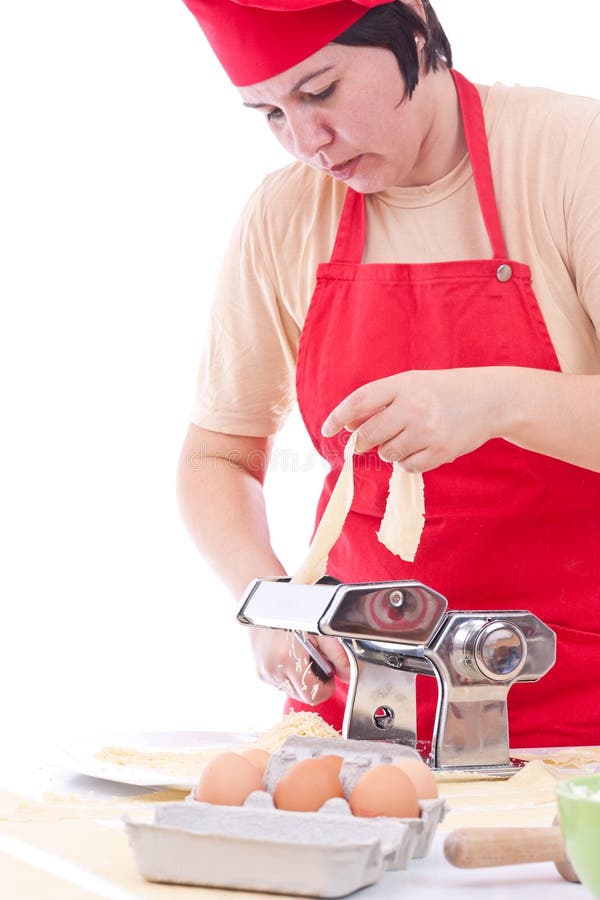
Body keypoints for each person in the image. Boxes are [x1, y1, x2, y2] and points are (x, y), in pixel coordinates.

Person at [176, 0, 600, 749]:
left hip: (579, 713)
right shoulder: (285, 216)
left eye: (320, 92)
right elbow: (218, 454)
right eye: (268, 113)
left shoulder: (569, 154)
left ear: (411, 28)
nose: (307, 142)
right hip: (363, 719)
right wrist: (270, 599)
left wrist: (498, 398)